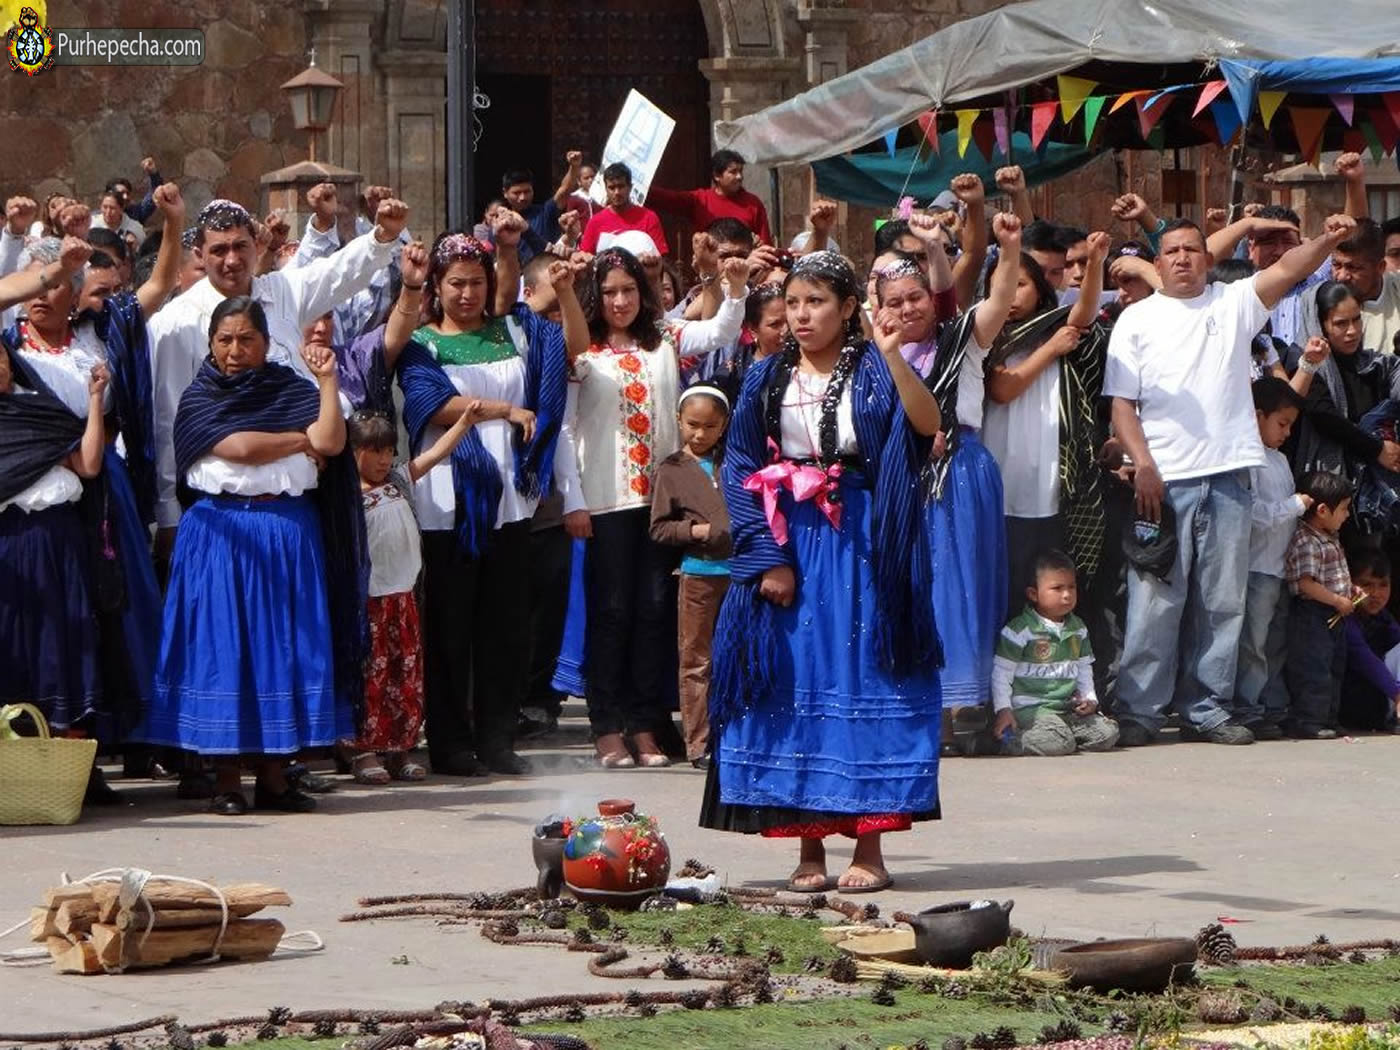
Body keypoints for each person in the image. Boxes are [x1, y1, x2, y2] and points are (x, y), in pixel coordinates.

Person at [699, 251, 943, 894]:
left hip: (864, 543)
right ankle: (808, 854)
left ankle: (870, 849)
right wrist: (767, 559)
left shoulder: (874, 370)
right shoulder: (765, 377)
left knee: (869, 680)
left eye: (816, 304)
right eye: (794, 304)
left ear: (847, 309)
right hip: (791, 540)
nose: (801, 316)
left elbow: (928, 427)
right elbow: (740, 467)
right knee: (793, 687)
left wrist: (893, 356)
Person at [1106, 214, 1359, 747]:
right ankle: (1141, 711)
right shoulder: (1136, 320)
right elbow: (1122, 406)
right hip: (1163, 482)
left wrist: (1329, 239)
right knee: (1156, 601)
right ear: (1157, 263)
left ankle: (1207, 707)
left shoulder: (1232, 302)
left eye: (1192, 250)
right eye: (1171, 250)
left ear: (1208, 258)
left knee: (1222, 602)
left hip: (1228, 478)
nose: (1182, 258)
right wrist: (1143, 463)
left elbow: (1289, 268)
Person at [136, 298, 366, 815]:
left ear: (266, 343)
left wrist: (327, 382)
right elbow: (237, 448)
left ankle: (274, 778)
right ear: (211, 343)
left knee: (281, 650)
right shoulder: (200, 398)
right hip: (220, 535)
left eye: (246, 340)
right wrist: (295, 439)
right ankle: (225, 780)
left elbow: (330, 441)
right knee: (224, 651)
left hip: (287, 533)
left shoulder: (293, 389)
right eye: (225, 340)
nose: (235, 351)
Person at [397, 220, 584, 776]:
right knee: (451, 627)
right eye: (455, 282)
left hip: (509, 500)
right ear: (437, 285)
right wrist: (502, 408)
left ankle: (498, 738)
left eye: (476, 282)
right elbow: (430, 404)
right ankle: (451, 742)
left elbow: (571, 348)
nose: (467, 293)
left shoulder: (515, 333)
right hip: (447, 503)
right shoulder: (421, 343)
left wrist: (562, 288)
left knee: (504, 627)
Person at [6, 189, 186, 755]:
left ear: (78, 292)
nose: (43, 295)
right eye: (37, 283)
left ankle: (116, 741)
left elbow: (157, 287)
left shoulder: (100, 335)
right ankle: (43, 751)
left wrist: (175, 223)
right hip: (36, 493)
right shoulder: (9, 349)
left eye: (56, 283)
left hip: (103, 487)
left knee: (113, 615)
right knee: (53, 623)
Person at [148, 195, 408, 563]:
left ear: (257, 246)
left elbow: (337, 274)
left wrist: (381, 237)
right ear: (200, 254)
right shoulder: (175, 323)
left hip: (300, 509)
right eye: (219, 250)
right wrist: (169, 517)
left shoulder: (281, 292)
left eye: (240, 246)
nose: (232, 260)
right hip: (223, 519)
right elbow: (170, 421)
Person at [570, 248, 748, 767]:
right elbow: (563, 427)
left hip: (662, 503)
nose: (620, 301)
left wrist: (735, 289)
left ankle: (646, 722)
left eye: (628, 291)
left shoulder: (665, 338)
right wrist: (574, 500)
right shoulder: (583, 350)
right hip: (605, 499)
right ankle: (606, 725)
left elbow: (719, 331)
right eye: (608, 293)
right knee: (611, 611)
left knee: (653, 612)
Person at [882, 208, 1021, 713]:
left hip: (960, 470)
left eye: (916, 297)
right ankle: (917, 697)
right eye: (894, 302)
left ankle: (961, 703)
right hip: (903, 475)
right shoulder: (879, 357)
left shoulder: (960, 339)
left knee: (958, 581)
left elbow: (1001, 298)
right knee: (915, 580)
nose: (907, 308)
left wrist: (1008, 250)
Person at [344, 404, 484, 785]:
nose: (383, 459)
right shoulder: (347, 500)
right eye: (373, 451)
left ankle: (399, 749)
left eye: (389, 451)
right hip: (368, 602)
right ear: (352, 451)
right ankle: (365, 752)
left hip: (403, 599)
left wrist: (463, 423)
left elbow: (434, 455)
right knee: (370, 679)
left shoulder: (399, 482)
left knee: (403, 678)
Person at [983, 231, 1111, 612]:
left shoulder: (1057, 326)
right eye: (1000, 287)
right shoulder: (986, 336)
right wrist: (1051, 349)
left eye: (1019, 285)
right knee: (1006, 585)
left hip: (1053, 485)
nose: (1009, 295)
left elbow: (1084, 314)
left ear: (1040, 289)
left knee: (1050, 587)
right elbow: (1002, 389)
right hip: (1003, 485)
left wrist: (1095, 263)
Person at [0, 344, 109, 739]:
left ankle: (68, 765)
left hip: (58, 540)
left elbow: (89, 464)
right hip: (7, 546)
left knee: (63, 644)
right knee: (13, 646)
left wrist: (95, 400)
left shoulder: (40, 411)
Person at [649, 384, 732, 768]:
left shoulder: (733, 462)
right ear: (679, 421)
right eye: (692, 425)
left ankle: (737, 737)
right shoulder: (671, 469)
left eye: (710, 426)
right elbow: (660, 528)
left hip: (739, 575)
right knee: (696, 660)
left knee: (738, 656)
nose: (700, 434)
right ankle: (699, 743)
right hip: (698, 574)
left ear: (723, 425)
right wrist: (695, 532)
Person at [1234, 377, 1310, 739]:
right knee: (1253, 642)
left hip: (1280, 569)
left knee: (1274, 642)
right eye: (1282, 424)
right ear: (1257, 415)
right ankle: (1247, 707)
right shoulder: (1249, 460)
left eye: (1291, 426)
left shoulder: (1279, 460)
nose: (1287, 433)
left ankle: (1270, 704)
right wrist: (1295, 506)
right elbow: (1254, 514)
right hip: (1257, 566)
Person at [990, 549, 1118, 756]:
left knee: (1107, 734)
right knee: (1059, 744)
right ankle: (1007, 741)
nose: (1067, 595)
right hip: (1032, 711)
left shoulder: (1078, 628)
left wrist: (1090, 699)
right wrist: (1003, 710)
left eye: (1071, 587)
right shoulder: (1020, 630)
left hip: (1067, 708)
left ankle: (1058, 736)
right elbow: (1001, 674)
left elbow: (1084, 667)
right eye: (1057, 588)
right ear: (1033, 594)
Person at [1285, 282, 1400, 485]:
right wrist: (1377, 449)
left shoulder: (1372, 365)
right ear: (1319, 325)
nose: (1352, 331)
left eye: (1356, 320)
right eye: (1340, 323)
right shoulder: (1302, 364)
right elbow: (1324, 416)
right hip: (1324, 485)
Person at [1283, 470, 1358, 740]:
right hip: (1313, 615)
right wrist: (1337, 599)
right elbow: (1305, 584)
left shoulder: (1331, 539)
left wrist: (1350, 591)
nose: (1347, 515)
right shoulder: (1307, 540)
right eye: (1344, 509)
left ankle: (1328, 717)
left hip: (1333, 616)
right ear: (1323, 510)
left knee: (1333, 667)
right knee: (1313, 668)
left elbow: (1333, 576)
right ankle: (1307, 720)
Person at [647, 149, 773, 245]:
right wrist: (636, 185)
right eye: (733, 172)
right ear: (717, 175)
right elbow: (666, 199)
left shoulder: (753, 204)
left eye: (741, 171)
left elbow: (765, 243)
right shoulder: (700, 200)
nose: (739, 177)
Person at [1340, 549, 1400, 732]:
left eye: (1383, 585)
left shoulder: (1384, 618)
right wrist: (1397, 695)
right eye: (1367, 584)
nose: (1376, 593)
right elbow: (1364, 659)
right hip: (1354, 702)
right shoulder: (1345, 618)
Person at [579, 163, 669, 256]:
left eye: (621, 186)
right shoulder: (595, 222)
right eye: (612, 188)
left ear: (630, 187)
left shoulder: (649, 218)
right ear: (605, 189)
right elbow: (584, 258)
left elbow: (660, 258)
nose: (617, 192)